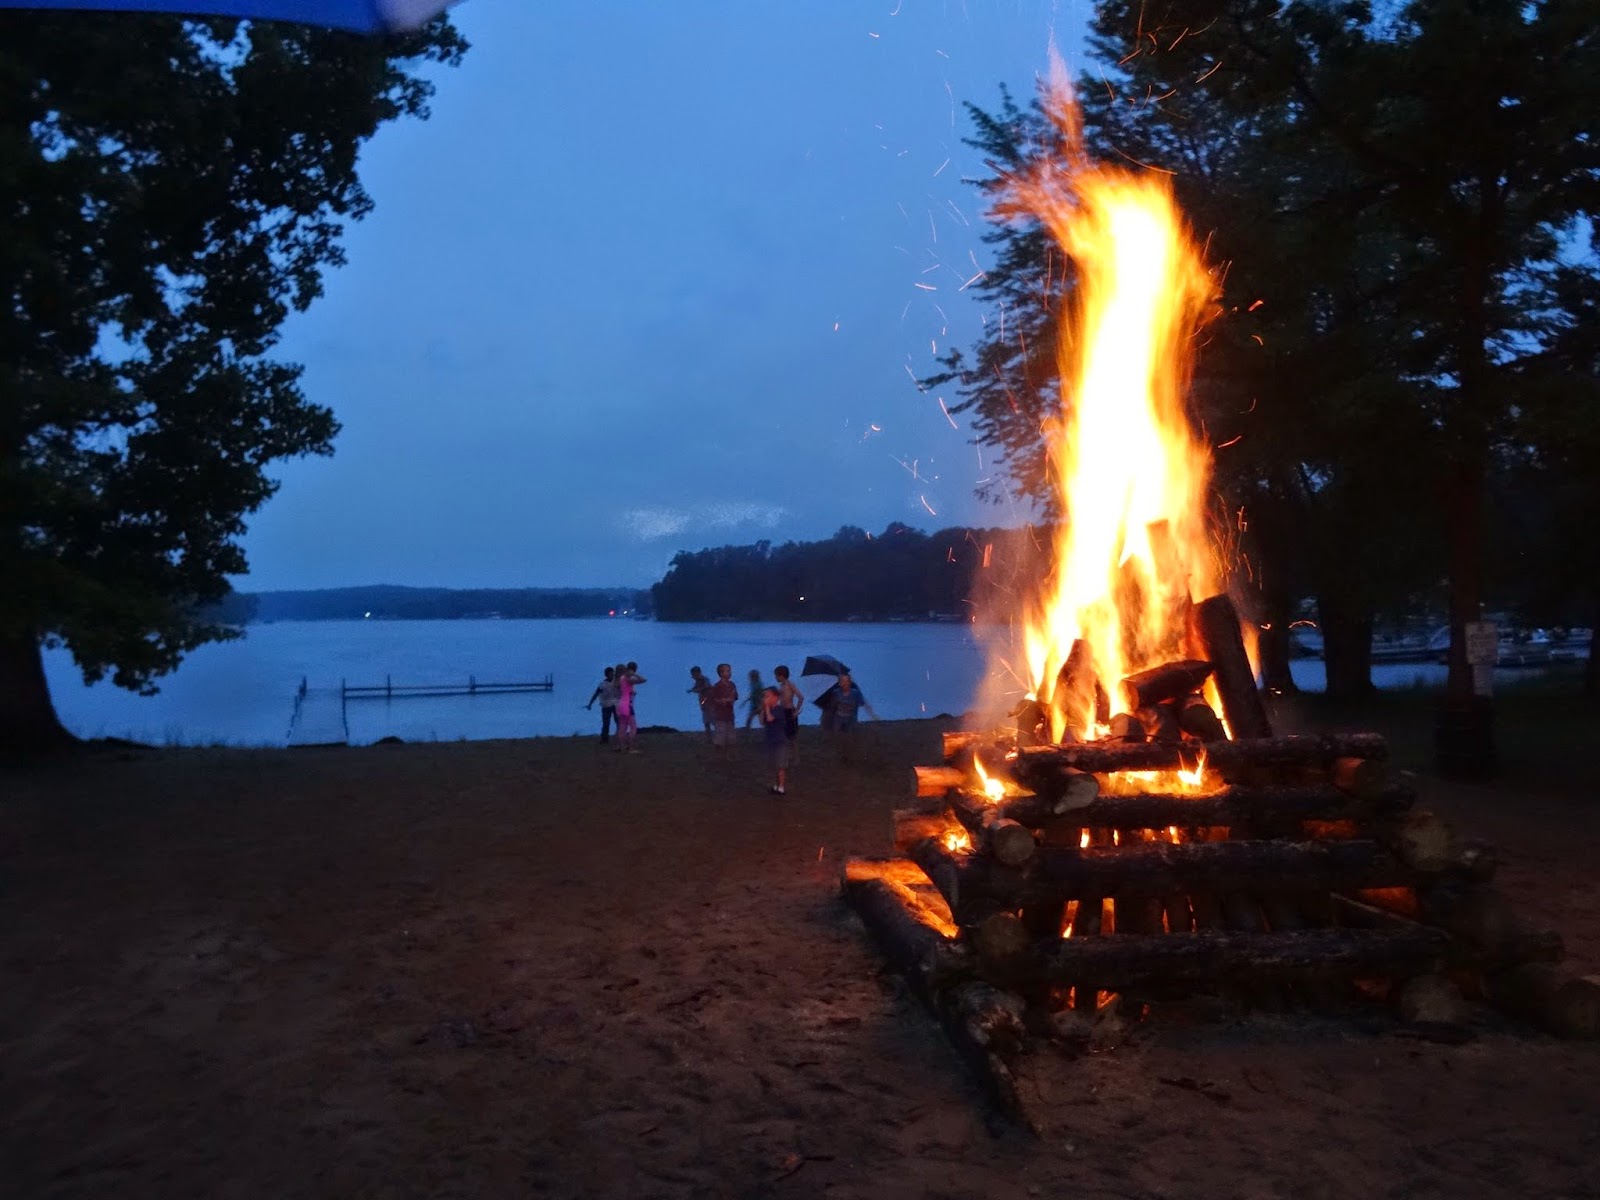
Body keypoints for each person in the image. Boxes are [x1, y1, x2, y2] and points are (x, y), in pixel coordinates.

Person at [821, 670, 876, 760]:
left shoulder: (855, 693)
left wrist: (869, 713)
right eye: (843, 681)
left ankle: (848, 755)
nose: (845, 683)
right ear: (839, 683)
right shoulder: (836, 693)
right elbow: (832, 706)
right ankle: (841, 753)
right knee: (838, 737)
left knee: (849, 737)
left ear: (850, 682)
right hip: (838, 718)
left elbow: (861, 703)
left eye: (847, 681)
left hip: (850, 718)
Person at [759, 686, 791, 795]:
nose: (765, 698)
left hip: (780, 742)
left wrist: (766, 708)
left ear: (775, 697)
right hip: (770, 741)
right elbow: (762, 721)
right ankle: (775, 785)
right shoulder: (771, 709)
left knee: (780, 766)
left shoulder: (779, 710)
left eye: (767, 696)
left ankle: (781, 787)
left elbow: (770, 719)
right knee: (772, 764)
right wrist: (763, 709)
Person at [774, 664, 804, 763]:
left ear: (781, 676)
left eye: (776, 675)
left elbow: (800, 697)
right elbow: (778, 698)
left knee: (792, 736)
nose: (775, 677)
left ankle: (796, 758)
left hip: (790, 711)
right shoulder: (781, 686)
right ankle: (789, 755)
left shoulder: (790, 685)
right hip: (783, 712)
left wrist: (796, 711)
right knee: (785, 735)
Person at [707, 663, 739, 752]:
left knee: (730, 736)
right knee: (720, 735)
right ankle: (719, 755)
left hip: (729, 715)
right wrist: (722, 701)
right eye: (727, 671)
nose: (730, 673)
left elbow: (735, 696)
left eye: (730, 671)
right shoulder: (717, 686)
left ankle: (728, 755)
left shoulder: (732, 685)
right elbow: (712, 699)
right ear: (721, 673)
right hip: (720, 715)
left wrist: (731, 699)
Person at [615, 661, 645, 754]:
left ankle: (621, 746)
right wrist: (634, 674)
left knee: (622, 726)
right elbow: (643, 680)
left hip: (621, 704)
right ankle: (631, 748)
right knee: (633, 727)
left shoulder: (622, 678)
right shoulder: (628, 678)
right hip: (627, 705)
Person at [584, 665, 618, 744]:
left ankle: (619, 737)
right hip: (606, 705)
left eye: (613, 673)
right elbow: (596, 694)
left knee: (618, 722)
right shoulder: (602, 684)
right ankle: (604, 739)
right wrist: (590, 704)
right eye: (611, 674)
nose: (612, 675)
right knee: (606, 723)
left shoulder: (616, 682)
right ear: (607, 674)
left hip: (615, 705)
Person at [687, 666, 713, 743]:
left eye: (693, 674)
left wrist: (696, 690)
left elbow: (707, 687)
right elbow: (696, 688)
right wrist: (692, 690)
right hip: (705, 703)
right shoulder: (699, 680)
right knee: (706, 722)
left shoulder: (704, 679)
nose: (692, 676)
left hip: (709, 702)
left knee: (712, 721)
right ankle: (709, 739)